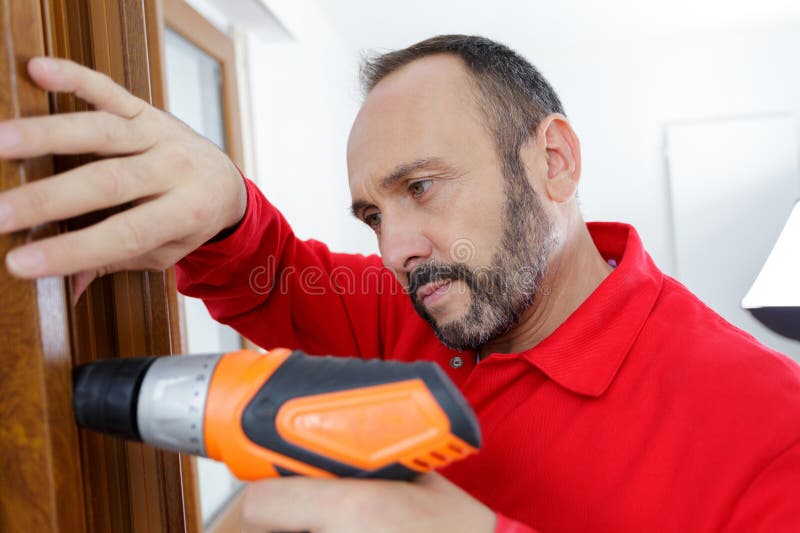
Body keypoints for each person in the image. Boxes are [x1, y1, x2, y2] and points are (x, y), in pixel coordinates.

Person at [1, 35, 798, 532]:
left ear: (552, 161)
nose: (397, 250)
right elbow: (277, 275)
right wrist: (223, 208)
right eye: (371, 215)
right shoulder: (416, 308)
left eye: (421, 187)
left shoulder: (772, 428)